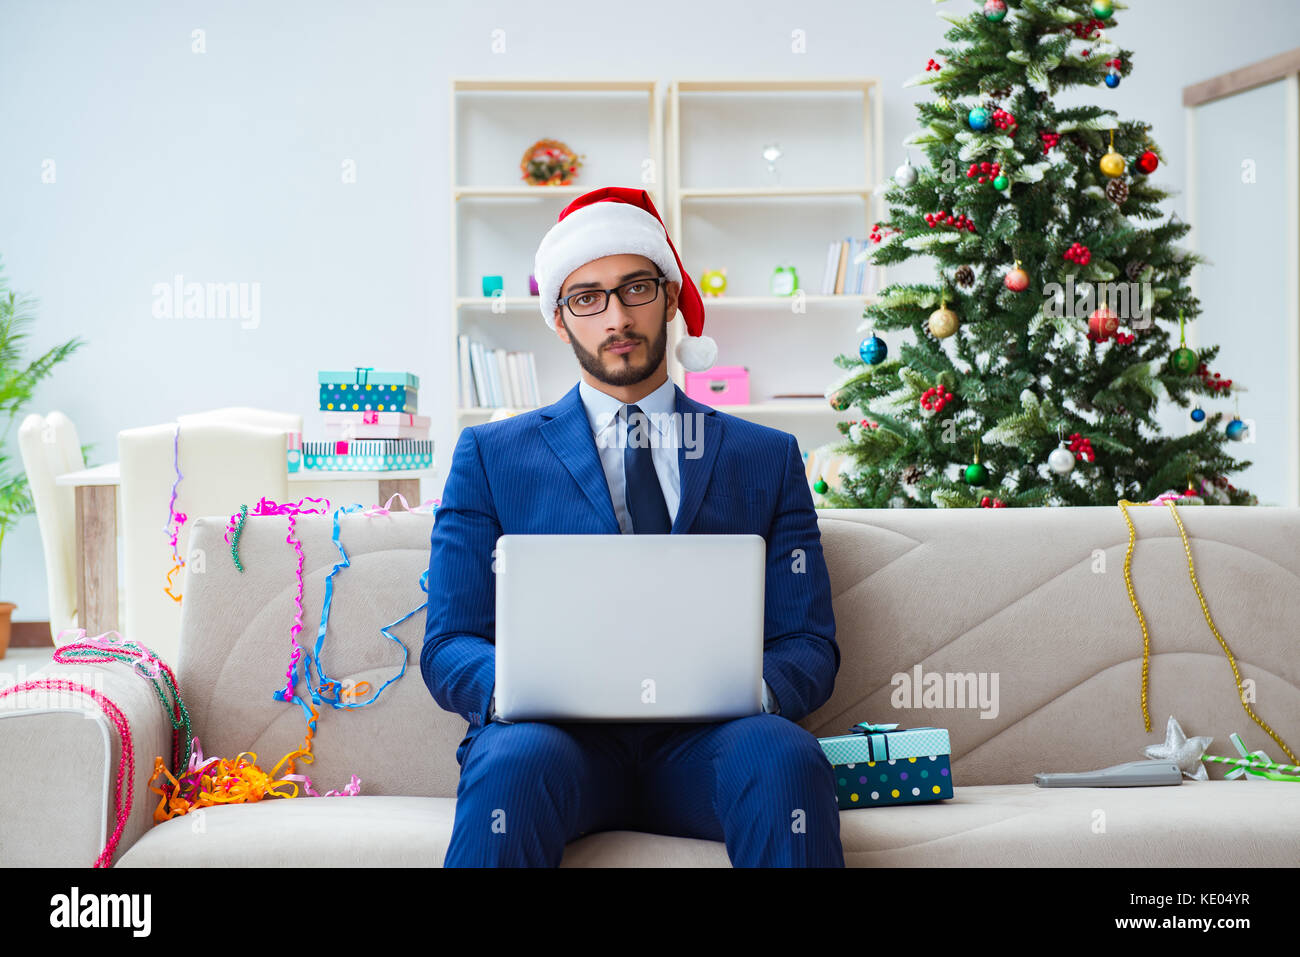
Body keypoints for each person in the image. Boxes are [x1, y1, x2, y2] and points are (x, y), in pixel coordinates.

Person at [422, 186, 843, 867]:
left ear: (671, 297)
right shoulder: (491, 457)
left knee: (783, 754)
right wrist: (515, 686)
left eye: (635, 288)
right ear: (559, 320)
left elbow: (808, 643)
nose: (616, 317)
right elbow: (447, 642)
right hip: (556, 742)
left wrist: (751, 688)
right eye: (587, 297)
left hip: (711, 744)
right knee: (514, 761)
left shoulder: (764, 457)